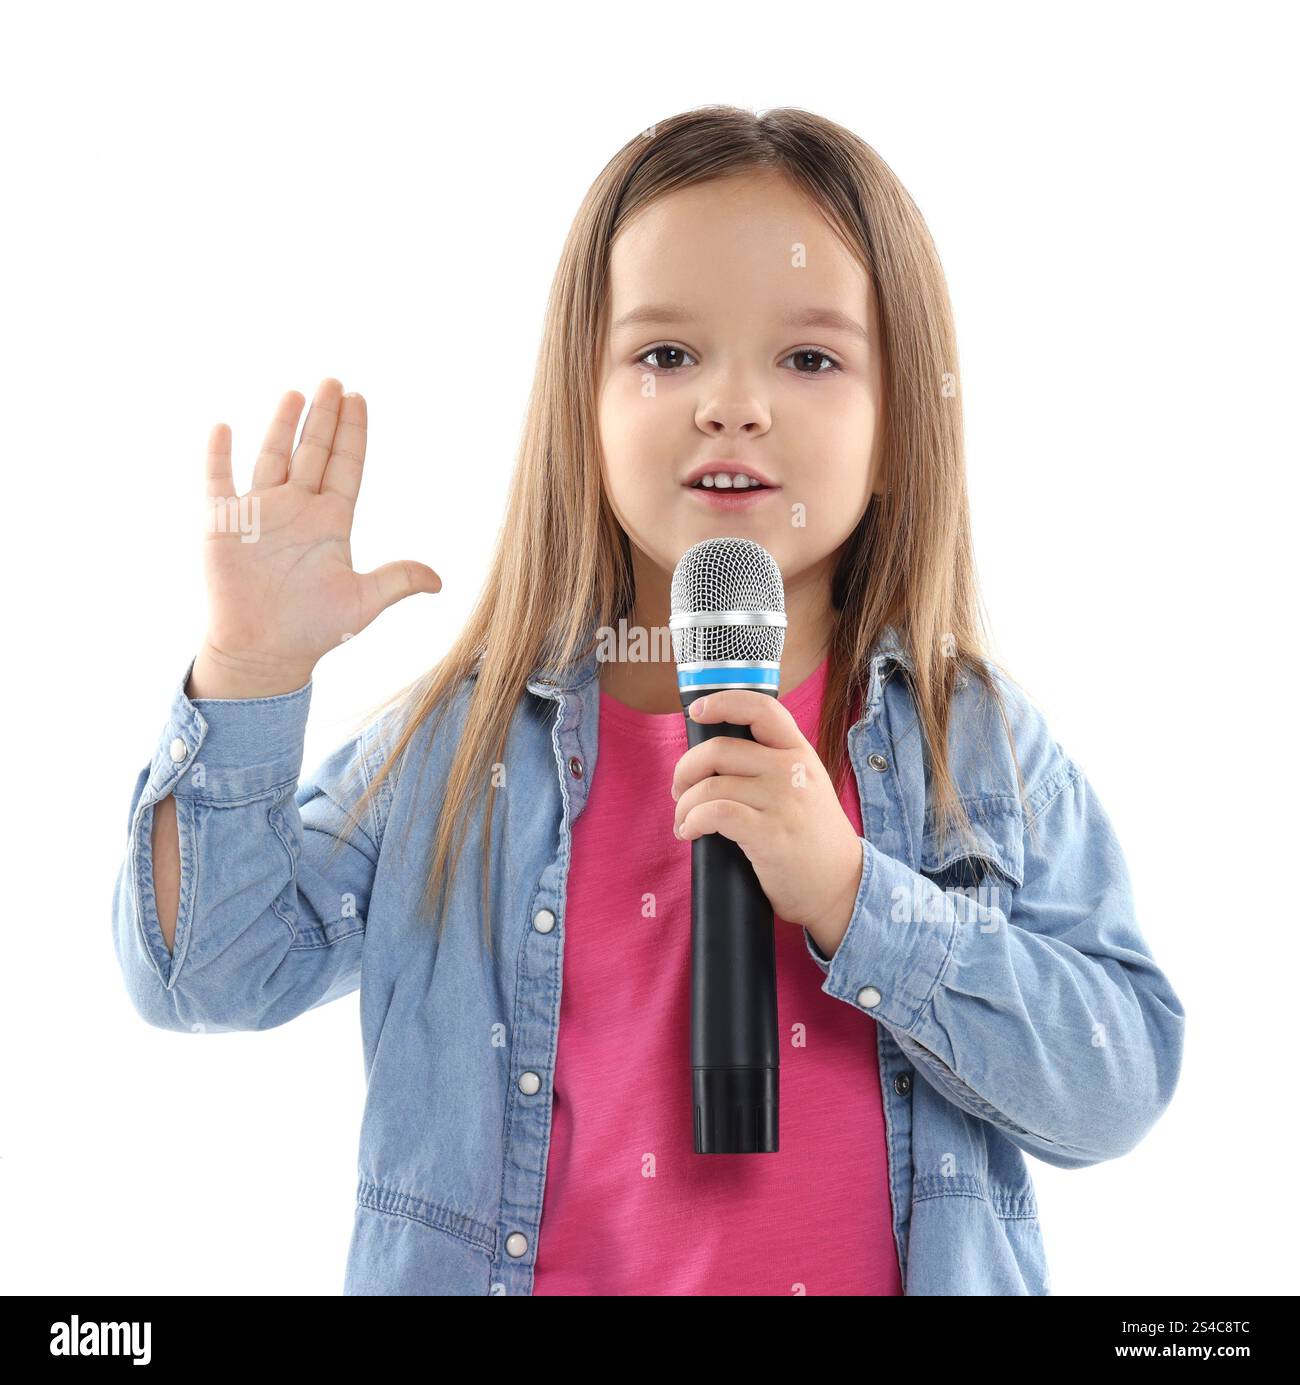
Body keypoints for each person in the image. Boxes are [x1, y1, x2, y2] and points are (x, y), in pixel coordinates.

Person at [111, 104, 1185, 1295]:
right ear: (587, 399)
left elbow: (1117, 1080)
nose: (732, 403)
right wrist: (250, 675)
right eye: (665, 355)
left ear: (899, 418)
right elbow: (204, 973)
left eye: (810, 357)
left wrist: (853, 897)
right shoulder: (459, 747)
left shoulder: (967, 740)